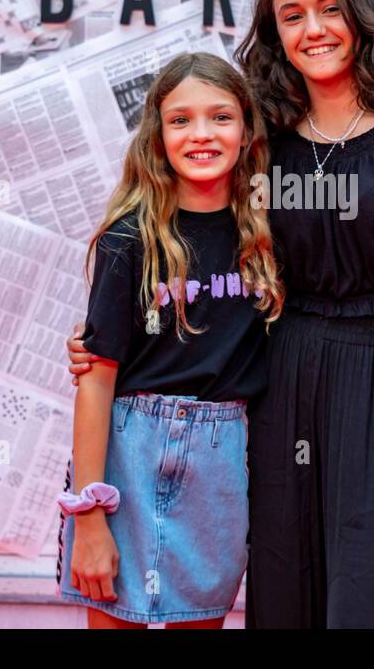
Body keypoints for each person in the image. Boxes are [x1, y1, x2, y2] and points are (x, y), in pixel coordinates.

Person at [70, 0, 374, 628]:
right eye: (292, 15)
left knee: (370, 603)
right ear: (275, 33)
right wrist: (105, 341)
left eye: (329, 9)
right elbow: (193, 246)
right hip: (282, 380)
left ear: (363, 15)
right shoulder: (268, 136)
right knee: (284, 603)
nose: (313, 29)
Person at [57, 52, 284, 629]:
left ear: (247, 131)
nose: (201, 134)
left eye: (220, 117)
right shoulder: (127, 238)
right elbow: (97, 379)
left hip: (221, 457)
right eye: (180, 119)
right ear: (157, 137)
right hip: (126, 453)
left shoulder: (268, 237)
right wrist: (89, 515)